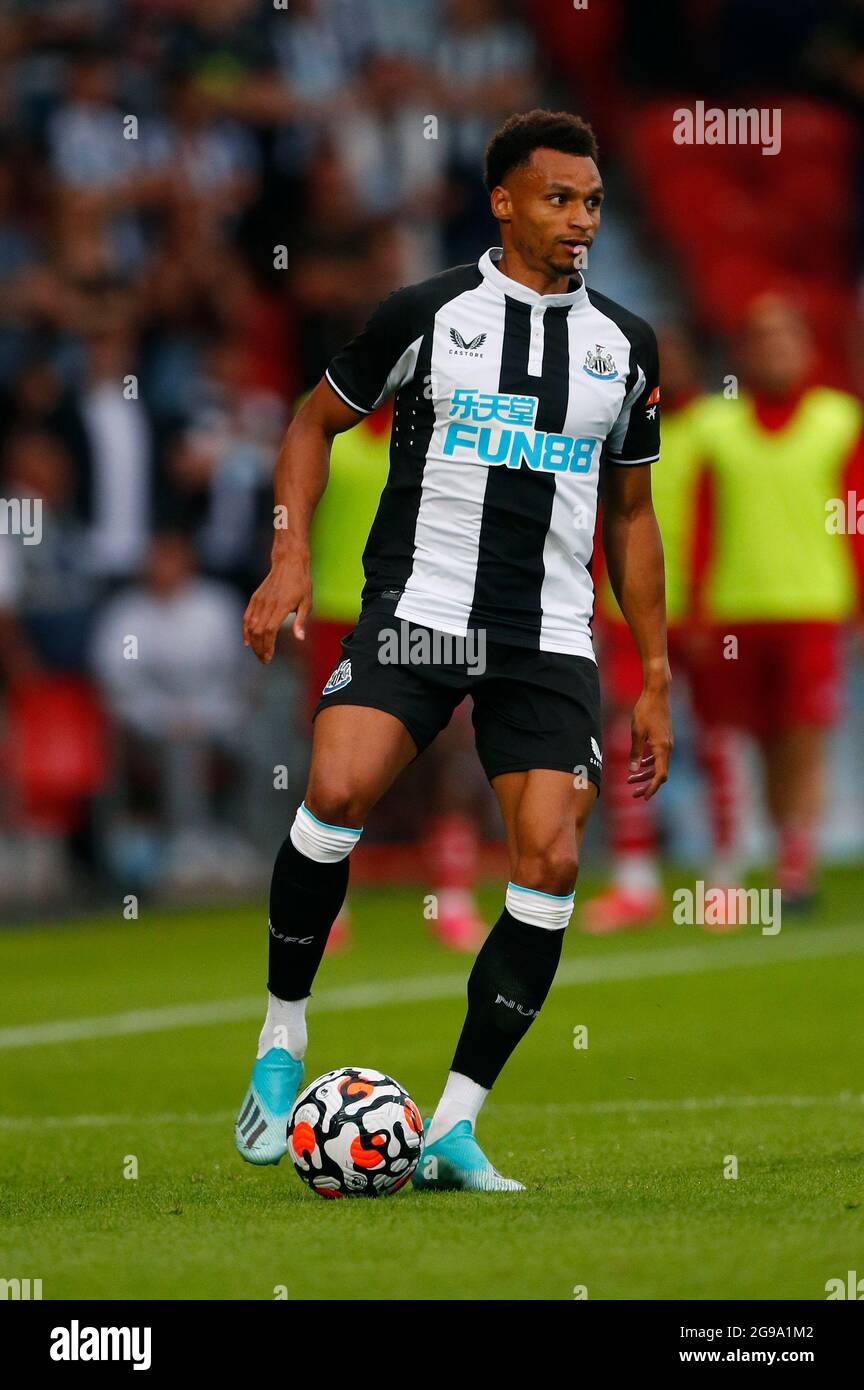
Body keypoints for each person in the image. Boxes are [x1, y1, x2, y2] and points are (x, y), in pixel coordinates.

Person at [235, 109, 673, 1190]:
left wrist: (656, 670)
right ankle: (283, 1032)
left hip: (548, 635)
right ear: (506, 203)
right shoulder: (425, 314)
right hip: (420, 603)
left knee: (555, 858)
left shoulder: (626, 346)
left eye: (594, 202)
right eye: (560, 199)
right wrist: (289, 558)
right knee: (335, 787)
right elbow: (308, 423)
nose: (581, 220)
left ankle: (455, 1125)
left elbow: (631, 514)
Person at [687, 294, 864, 912]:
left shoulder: (838, 422)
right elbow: (702, 523)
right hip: (737, 608)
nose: (773, 349)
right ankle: (762, 849)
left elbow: (856, 516)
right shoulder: (717, 427)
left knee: (803, 735)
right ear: (742, 353)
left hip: (812, 604)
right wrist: (699, 607)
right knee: (754, 741)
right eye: (760, 338)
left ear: (808, 348)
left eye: (785, 336)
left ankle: (796, 863)